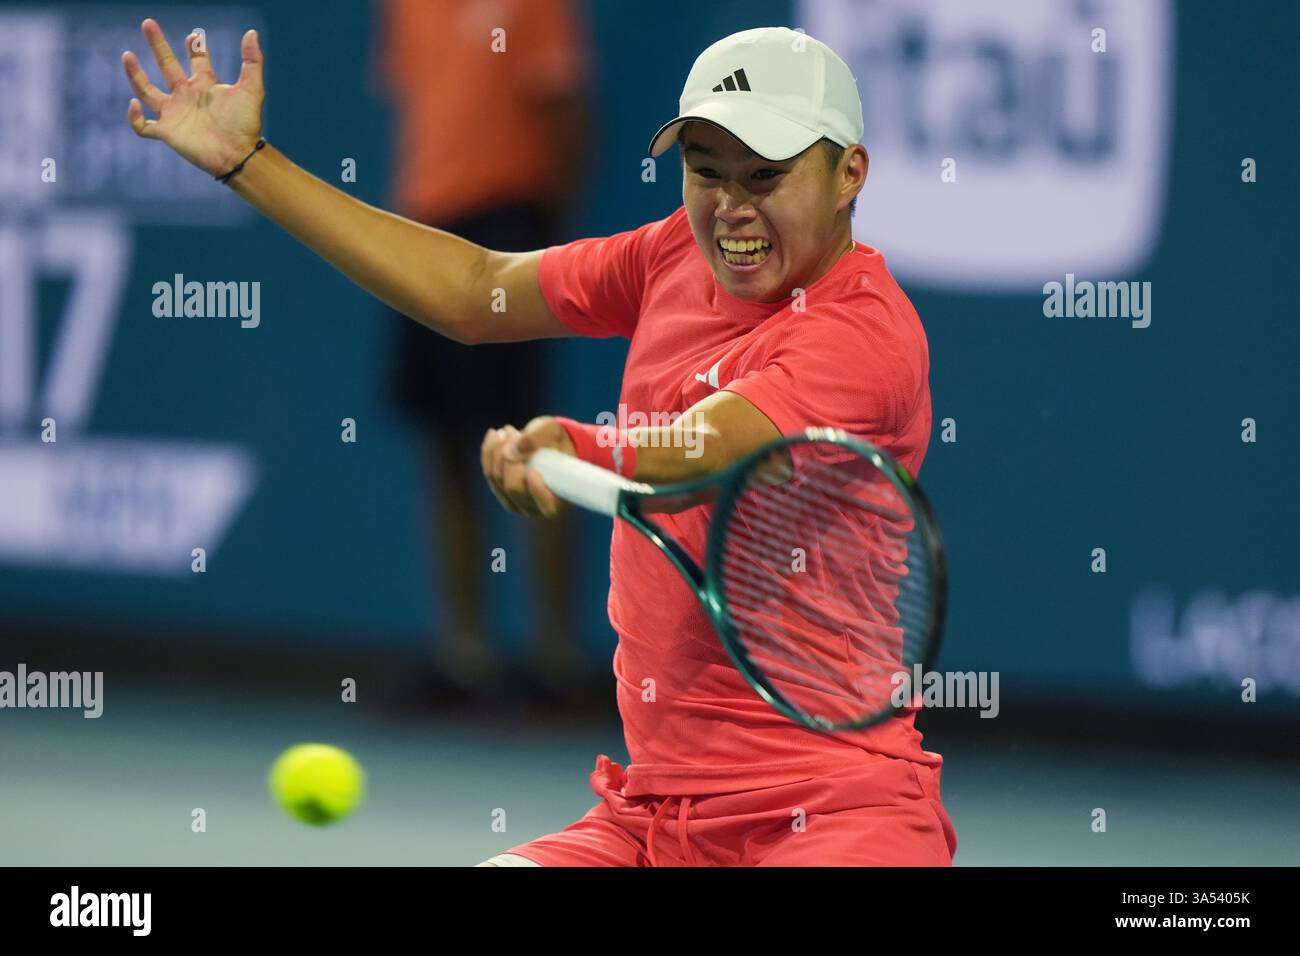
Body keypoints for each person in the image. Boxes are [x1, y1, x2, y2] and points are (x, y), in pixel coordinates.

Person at [123, 20, 956, 865]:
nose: (732, 206)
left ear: (849, 172)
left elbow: (710, 448)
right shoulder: (675, 254)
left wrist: (576, 446)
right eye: (706, 173)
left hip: (838, 815)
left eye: (767, 176)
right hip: (655, 821)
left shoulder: (865, 334)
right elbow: (473, 291)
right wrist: (247, 162)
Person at [372, 0, 591, 697]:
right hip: (422, 231)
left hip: (506, 229)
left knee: (533, 440)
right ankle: (463, 657)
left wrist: (544, 238)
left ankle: (555, 662)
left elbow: (568, 107)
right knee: (445, 443)